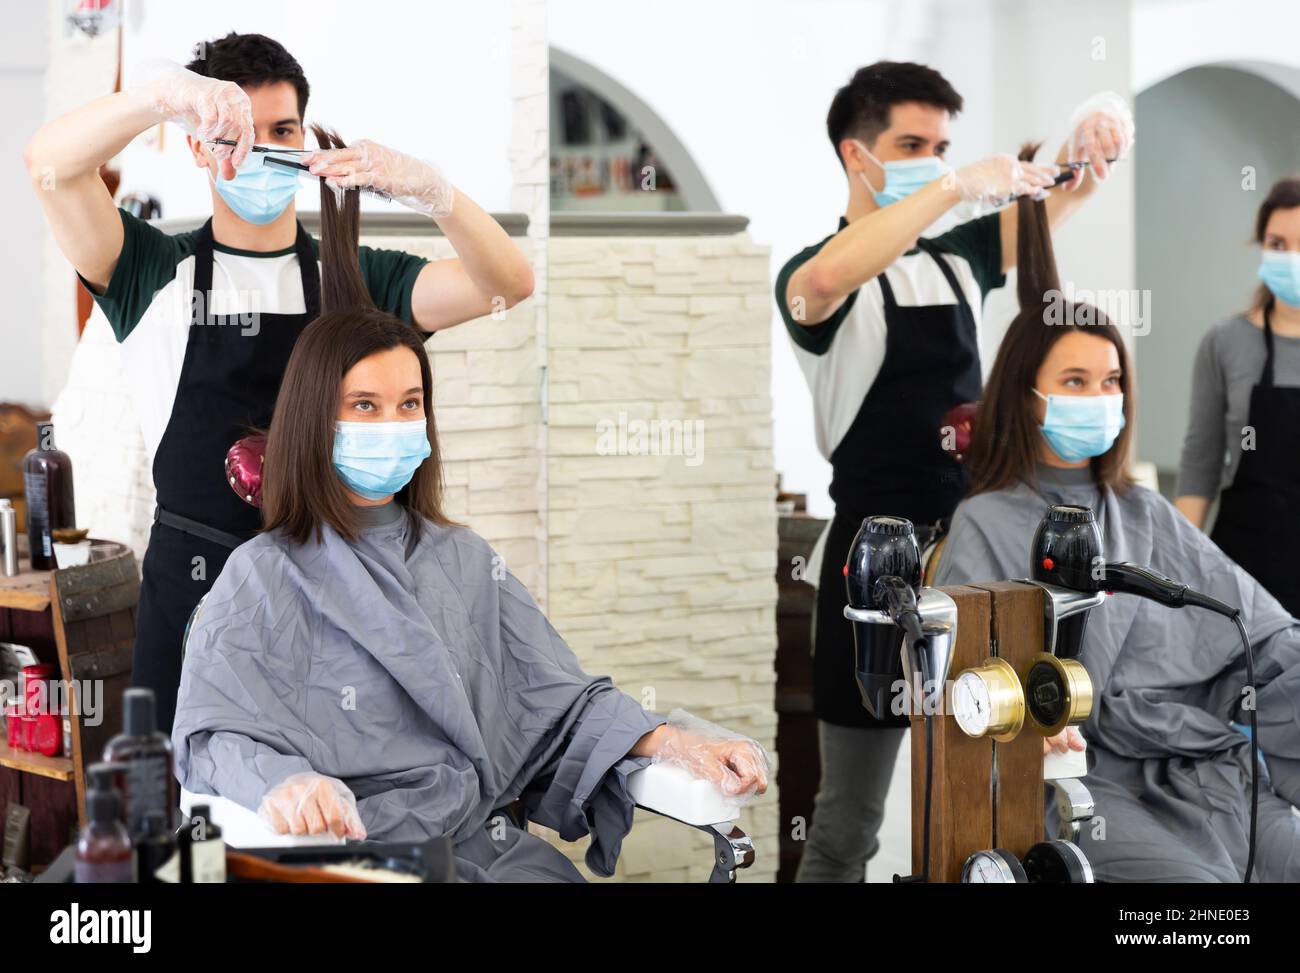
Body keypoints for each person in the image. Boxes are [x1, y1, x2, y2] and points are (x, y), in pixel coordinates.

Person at [170, 166, 769, 883]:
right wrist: (286, 784)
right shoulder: (262, 576)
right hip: (360, 860)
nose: (392, 423)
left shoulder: (461, 558)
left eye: (408, 402)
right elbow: (211, 737)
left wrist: (672, 741)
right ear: (314, 421)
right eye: (364, 405)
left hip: (488, 852)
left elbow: (558, 707)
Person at [24, 32, 535, 733]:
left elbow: (505, 284)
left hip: (334, 600)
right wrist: (164, 98)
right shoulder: (148, 275)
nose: (264, 150)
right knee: (194, 822)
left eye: (283, 130)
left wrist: (433, 192)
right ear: (199, 146)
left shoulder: (359, 279)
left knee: (330, 816)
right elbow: (47, 163)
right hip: (193, 602)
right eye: (238, 132)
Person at [775, 60, 1133, 883]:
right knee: (847, 824)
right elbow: (826, 280)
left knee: (993, 796)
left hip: (970, 565)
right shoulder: (814, 274)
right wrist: (959, 187)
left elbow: (1054, 200)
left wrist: (1088, 135)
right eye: (913, 144)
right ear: (855, 155)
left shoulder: (957, 259)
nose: (935, 161)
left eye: (944, 146)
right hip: (869, 570)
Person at [930, 166, 1300, 882]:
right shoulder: (985, 522)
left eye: (1111, 382)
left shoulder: (1143, 509)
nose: (1100, 398)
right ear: (1028, 395)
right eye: (1075, 382)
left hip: (1205, 771)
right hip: (1084, 785)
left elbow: (1266, 633)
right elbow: (965, 690)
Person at [1175, 178, 1300, 618]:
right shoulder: (1226, 342)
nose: (1291, 258)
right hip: (1243, 577)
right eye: (1277, 243)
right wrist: (1173, 575)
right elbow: (1200, 464)